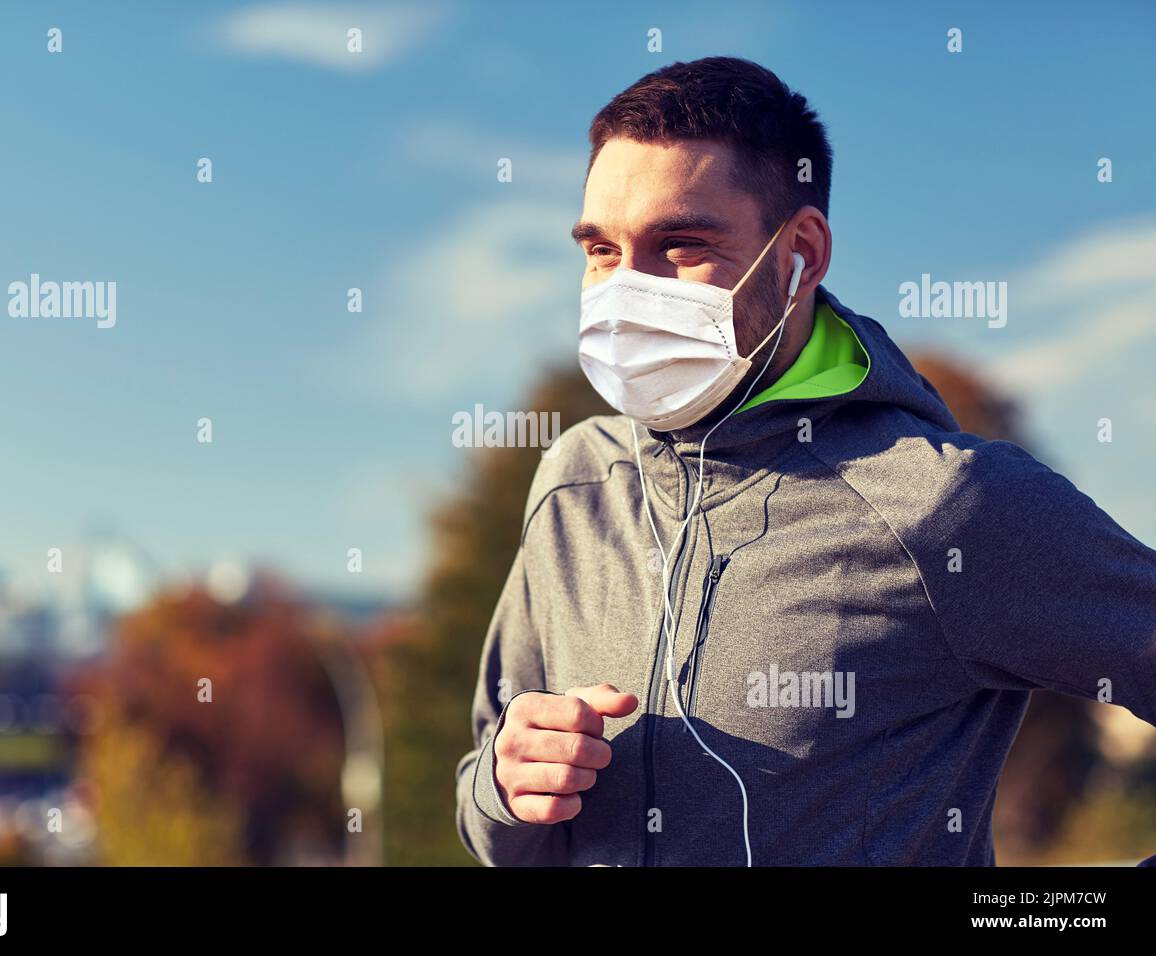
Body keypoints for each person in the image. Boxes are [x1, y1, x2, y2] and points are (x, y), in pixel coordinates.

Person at [453, 56, 1156, 866]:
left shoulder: (946, 502)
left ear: (802, 253)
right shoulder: (575, 478)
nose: (624, 292)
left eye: (679, 244)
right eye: (601, 251)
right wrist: (507, 789)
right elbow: (493, 820)